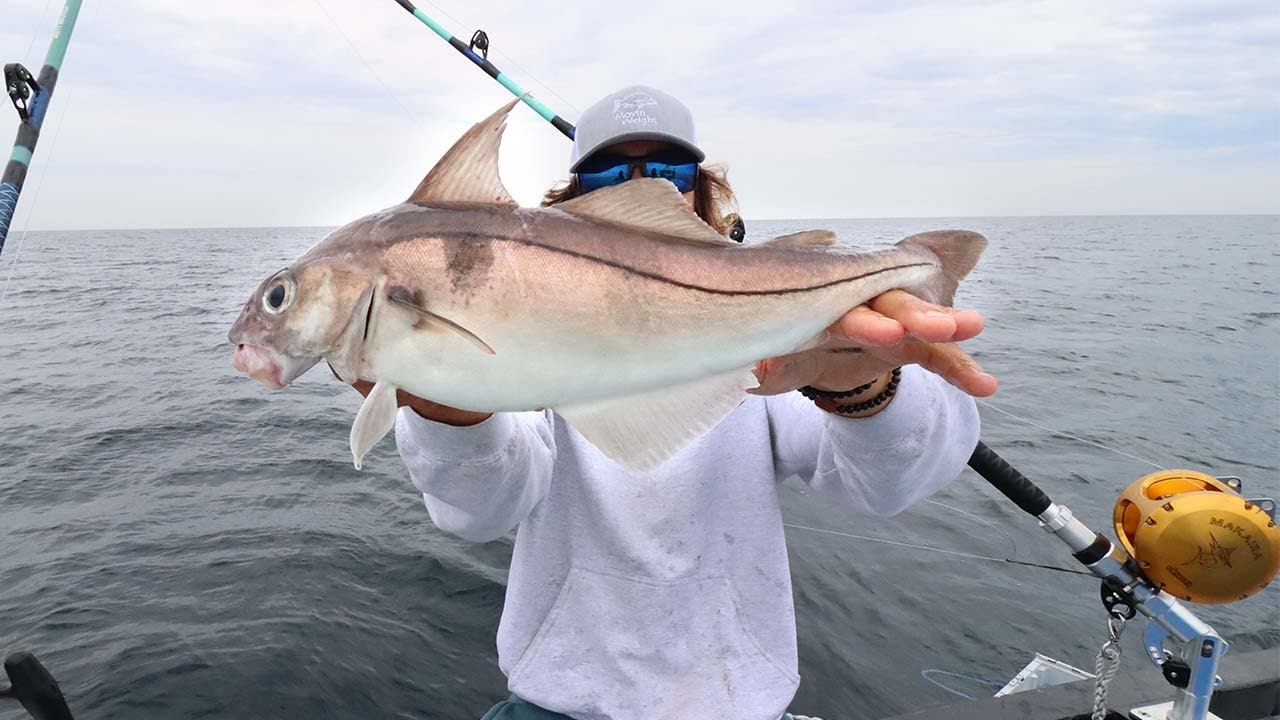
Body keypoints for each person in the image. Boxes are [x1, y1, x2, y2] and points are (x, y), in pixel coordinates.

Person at [351, 85, 996, 720]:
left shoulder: (775, 328)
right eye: (608, 170)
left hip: (736, 705)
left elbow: (889, 484)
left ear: (701, 190)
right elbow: (482, 512)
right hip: (555, 701)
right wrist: (448, 409)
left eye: (666, 170)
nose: (641, 185)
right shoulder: (517, 325)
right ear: (573, 197)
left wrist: (858, 385)